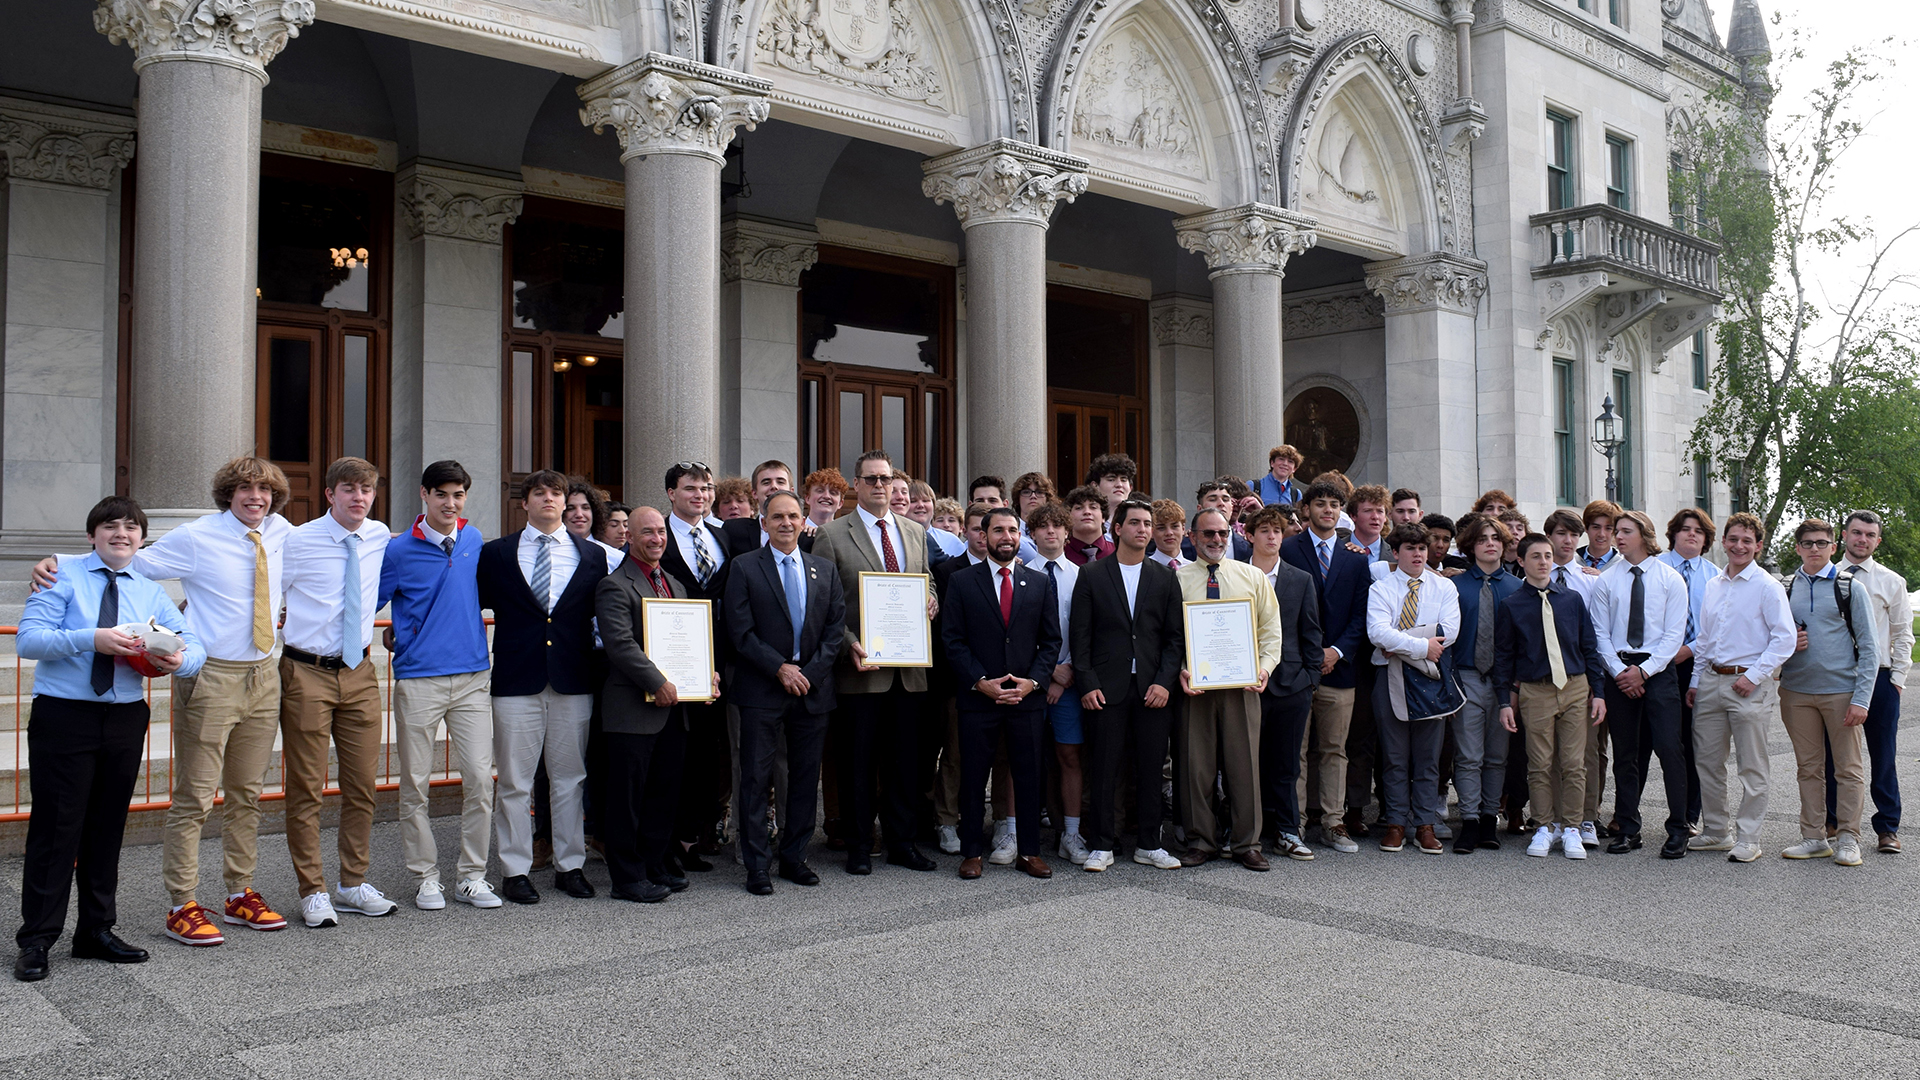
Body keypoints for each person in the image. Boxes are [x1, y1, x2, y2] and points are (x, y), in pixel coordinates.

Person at [34, 457, 295, 945]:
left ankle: (239, 893)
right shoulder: (196, 536)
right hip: (210, 675)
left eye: (263, 490)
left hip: (264, 675)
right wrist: (57, 562)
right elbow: (126, 559)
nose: (254, 497)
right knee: (195, 796)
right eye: (244, 489)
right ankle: (183, 903)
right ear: (228, 494)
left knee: (247, 794)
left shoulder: (282, 532)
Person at [14, 496, 205, 981]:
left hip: (123, 717)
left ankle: (95, 930)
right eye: (110, 526)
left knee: (106, 826)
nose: (121, 533)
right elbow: (28, 640)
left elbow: (193, 644)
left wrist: (179, 660)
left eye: (131, 528)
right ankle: (37, 938)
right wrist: (91, 638)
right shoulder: (61, 573)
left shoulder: (151, 590)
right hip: (65, 714)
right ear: (92, 534)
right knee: (57, 828)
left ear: (142, 539)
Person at [478, 469, 610, 904]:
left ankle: (569, 866)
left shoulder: (592, 556)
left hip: (574, 679)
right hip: (517, 680)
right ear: (525, 503)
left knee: (570, 778)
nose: (550, 500)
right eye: (541, 493)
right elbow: (466, 604)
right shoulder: (496, 554)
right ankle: (515, 870)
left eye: (557, 493)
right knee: (515, 781)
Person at [278, 458, 396, 928]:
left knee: (361, 786)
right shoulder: (298, 540)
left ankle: (352, 882)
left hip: (360, 671)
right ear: (330, 494)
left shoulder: (380, 535)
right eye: (349, 489)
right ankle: (313, 890)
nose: (359, 498)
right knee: (306, 788)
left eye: (366, 490)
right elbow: (263, 590)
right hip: (306, 672)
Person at [812, 449, 941, 874]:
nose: (879, 486)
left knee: (905, 763)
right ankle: (858, 845)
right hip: (861, 670)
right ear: (857, 485)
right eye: (871, 479)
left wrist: (931, 601)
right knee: (858, 764)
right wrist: (849, 641)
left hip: (908, 671)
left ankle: (902, 843)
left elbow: (929, 581)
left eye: (885, 479)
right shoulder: (833, 535)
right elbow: (826, 603)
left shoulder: (914, 531)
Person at [379, 460, 500, 911]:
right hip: (419, 679)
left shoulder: (472, 540)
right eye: (442, 495)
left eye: (459, 495)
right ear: (425, 496)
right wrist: (397, 633)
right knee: (414, 783)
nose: (451, 503)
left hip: (472, 677)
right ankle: (426, 876)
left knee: (478, 781)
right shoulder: (397, 551)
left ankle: (472, 876)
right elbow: (370, 600)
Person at [722, 491, 845, 894]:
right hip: (761, 689)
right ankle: (757, 864)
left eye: (793, 515)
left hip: (811, 689)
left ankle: (794, 857)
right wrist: (780, 668)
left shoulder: (823, 569)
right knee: (756, 780)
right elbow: (739, 631)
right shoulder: (743, 567)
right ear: (764, 521)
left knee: (805, 780)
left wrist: (807, 672)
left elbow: (834, 630)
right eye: (777, 517)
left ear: (803, 517)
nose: (787, 523)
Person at [596, 507, 720, 901]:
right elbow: (620, 645)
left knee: (663, 794)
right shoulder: (614, 585)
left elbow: (690, 643)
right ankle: (627, 877)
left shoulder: (675, 586)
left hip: (673, 711)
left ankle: (654, 863)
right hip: (632, 710)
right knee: (627, 799)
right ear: (629, 537)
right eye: (646, 532)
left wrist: (706, 677)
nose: (656, 538)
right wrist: (659, 681)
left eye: (661, 532)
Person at [942, 507, 1060, 880]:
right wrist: (980, 681)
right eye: (998, 530)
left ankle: (1029, 852)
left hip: (1026, 698)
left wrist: (1033, 682)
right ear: (984, 535)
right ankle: (972, 851)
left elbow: (1051, 641)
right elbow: (953, 640)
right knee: (974, 776)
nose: (1006, 537)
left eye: (1012, 530)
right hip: (979, 698)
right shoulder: (962, 582)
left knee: (1028, 776)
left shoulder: (1039, 583)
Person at [1070, 499, 1184, 872]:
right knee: (1104, 768)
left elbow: (1174, 639)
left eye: (1148, 523)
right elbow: (1080, 636)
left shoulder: (1165, 576)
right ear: (1116, 528)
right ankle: (1101, 844)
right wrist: (1086, 683)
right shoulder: (1092, 574)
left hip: (1153, 688)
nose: (1143, 529)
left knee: (1151, 768)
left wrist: (1165, 682)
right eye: (1134, 522)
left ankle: (1150, 844)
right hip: (1106, 688)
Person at [1680, 513, 1794, 863]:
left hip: (1748, 684)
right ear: (1724, 542)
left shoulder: (1767, 586)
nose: (1739, 546)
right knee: (1708, 762)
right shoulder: (1714, 584)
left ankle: (1749, 837)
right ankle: (1716, 831)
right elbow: (1704, 639)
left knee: (1752, 765)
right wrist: (1697, 681)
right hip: (1712, 681)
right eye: (1733, 539)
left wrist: (1755, 675)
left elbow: (1785, 639)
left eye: (1747, 540)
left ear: (1758, 546)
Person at [1174, 509, 1284, 870]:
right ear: (1192, 536)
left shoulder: (1252, 577)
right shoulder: (1175, 580)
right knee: (1196, 767)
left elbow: (1270, 631)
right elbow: (1166, 636)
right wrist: (1180, 671)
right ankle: (1200, 841)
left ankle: (1246, 843)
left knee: (1244, 765)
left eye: (1222, 533)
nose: (1216, 540)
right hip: (1195, 688)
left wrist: (1264, 669)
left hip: (1243, 686)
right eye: (1208, 533)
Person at [1492, 533, 1608, 860]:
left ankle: (1572, 827)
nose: (1543, 562)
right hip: (1535, 690)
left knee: (1574, 762)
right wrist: (1505, 701)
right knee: (1539, 762)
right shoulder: (1512, 605)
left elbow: (1589, 647)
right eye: (1536, 557)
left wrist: (1597, 693)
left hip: (1574, 686)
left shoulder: (1571, 600)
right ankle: (1544, 825)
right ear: (1521, 561)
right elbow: (1504, 656)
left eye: (1547, 556)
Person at [1778, 518, 1880, 867]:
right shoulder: (1785, 587)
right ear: (1797, 548)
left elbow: (1869, 647)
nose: (1815, 549)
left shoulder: (1850, 587)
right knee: (1808, 768)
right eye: (1807, 543)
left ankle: (1849, 838)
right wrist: (1788, 644)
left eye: (1822, 543)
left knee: (1848, 769)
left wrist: (1861, 698)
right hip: (1796, 692)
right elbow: (1770, 640)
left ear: (1833, 547)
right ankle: (1814, 836)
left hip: (1841, 691)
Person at [1280, 479, 1374, 853]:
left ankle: (1334, 823)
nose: (1328, 511)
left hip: (1341, 667)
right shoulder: (1287, 550)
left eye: (1335, 505)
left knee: (1336, 749)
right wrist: (1308, 654)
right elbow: (1281, 611)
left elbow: (1360, 614)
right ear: (1307, 509)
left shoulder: (1355, 558)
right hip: (1297, 669)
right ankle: (1296, 821)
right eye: (1321, 504)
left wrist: (1337, 651)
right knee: (1296, 750)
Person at [1589, 510, 1690, 859]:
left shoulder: (1670, 579)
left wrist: (1644, 672)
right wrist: (1621, 671)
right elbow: (1599, 634)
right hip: (1619, 669)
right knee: (1626, 755)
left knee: (1668, 749)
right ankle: (1628, 828)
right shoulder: (1606, 580)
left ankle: (1678, 829)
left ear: (1645, 535)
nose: (1617, 536)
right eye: (1616, 531)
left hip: (1658, 671)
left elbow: (1674, 634)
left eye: (1625, 531)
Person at [1365, 523, 1461, 855]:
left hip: (1430, 680)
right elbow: (1377, 633)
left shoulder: (1444, 587)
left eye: (1422, 548)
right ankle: (1395, 823)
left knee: (1427, 757)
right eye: (1410, 548)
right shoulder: (1381, 588)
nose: (1418, 553)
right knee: (1394, 757)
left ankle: (1425, 825)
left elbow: (1448, 632)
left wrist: (1400, 642)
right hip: (1389, 676)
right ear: (1396, 552)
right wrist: (1421, 645)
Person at [656, 462, 732, 872]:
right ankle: (663, 845)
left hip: (716, 665)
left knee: (705, 757)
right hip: (669, 662)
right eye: (690, 489)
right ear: (671, 493)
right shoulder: (658, 536)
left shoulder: (725, 536)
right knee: (670, 758)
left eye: (705, 489)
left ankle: (689, 841)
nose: (699, 496)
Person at [1243, 505, 1321, 860]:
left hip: (1292, 684)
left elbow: (1311, 634)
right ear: (1250, 536)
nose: (1272, 536)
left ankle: (1289, 831)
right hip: (1242, 685)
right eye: (1264, 531)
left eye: (1277, 531)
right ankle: (1246, 832)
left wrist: (1310, 680)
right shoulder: (1233, 575)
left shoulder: (1300, 579)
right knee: (1244, 762)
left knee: (1287, 764)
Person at [1830, 510, 1910, 854]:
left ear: (1877, 541)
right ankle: (1833, 821)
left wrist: (1897, 680)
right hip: (1834, 678)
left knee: (1883, 753)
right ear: (1844, 536)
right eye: (1856, 533)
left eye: (1869, 535)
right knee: (1834, 756)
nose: (1862, 539)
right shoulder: (1824, 577)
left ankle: (1887, 827)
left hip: (1878, 678)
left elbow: (1903, 634)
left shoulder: (1891, 581)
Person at [1446, 515, 1522, 853]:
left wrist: (1516, 688)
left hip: (1504, 684)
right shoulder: (1455, 586)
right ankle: (1470, 820)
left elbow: (1524, 644)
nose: (1490, 543)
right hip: (1467, 678)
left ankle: (1490, 818)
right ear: (1470, 546)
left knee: (1497, 756)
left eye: (1496, 538)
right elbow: (1445, 639)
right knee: (1467, 755)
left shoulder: (1518, 589)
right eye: (1482, 539)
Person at [1027, 502, 1089, 864]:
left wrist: (1066, 673)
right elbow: (1018, 635)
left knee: (1069, 755)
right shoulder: (1020, 573)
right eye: (1042, 526)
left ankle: (1071, 832)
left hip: (1071, 679)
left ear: (1068, 533)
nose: (1050, 532)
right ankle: (1016, 832)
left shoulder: (1084, 575)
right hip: (1033, 681)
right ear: (1031, 534)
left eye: (1057, 526)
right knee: (1024, 755)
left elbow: (1087, 631)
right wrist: (1048, 673)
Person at [1543, 507, 1607, 846]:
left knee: (1585, 751)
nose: (1567, 541)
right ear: (1549, 537)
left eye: (1573, 535)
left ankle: (1586, 818)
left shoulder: (1591, 579)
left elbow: (1597, 633)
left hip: (1580, 673)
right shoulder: (1538, 576)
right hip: (1544, 676)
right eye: (1561, 534)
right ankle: (1554, 818)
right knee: (1549, 750)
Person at [1656, 508, 1714, 834]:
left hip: (1697, 662)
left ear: (1706, 540)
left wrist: (1688, 650)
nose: (1691, 534)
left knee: (1693, 743)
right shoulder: (1656, 570)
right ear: (1673, 534)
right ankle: (1626, 816)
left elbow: (1713, 627)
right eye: (1685, 529)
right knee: (1656, 741)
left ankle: (1690, 815)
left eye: (1698, 531)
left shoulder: (1715, 576)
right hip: (1657, 666)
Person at [1181, 481, 1253, 562]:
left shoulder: (1248, 549)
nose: (1221, 503)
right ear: (1200, 509)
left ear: (1232, 508)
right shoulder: (1183, 547)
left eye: (1225, 499)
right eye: (1212, 499)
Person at [1062, 485, 1115, 566]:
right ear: (1068, 516)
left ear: (1103, 517)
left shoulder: (1118, 553)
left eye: (1093, 507)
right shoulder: (1060, 554)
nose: (1087, 512)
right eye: (1079, 508)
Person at [1084, 454, 1137, 523]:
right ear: (1095, 486)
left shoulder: (1140, 521)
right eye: (1111, 479)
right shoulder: (1086, 520)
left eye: (1123, 480)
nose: (1119, 485)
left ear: (1130, 487)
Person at [1347, 485, 1389, 561]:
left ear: (1385, 517)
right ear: (1353, 516)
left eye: (1380, 511)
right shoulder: (1335, 549)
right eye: (1368, 511)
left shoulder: (1396, 555)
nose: (1375, 517)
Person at [1578, 499, 1620, 570]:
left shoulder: (1622, 565)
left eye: (1608, 528)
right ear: (1586, 528)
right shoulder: (1572, 562)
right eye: (1596, 527)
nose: (1601, 534)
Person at [1148, 498, 1187, 569]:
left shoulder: (1196, 570)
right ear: (1151, 532)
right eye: (1161, 528)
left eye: (1174, 526)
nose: (1169, 533)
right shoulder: (1144, 569)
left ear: (1183, 529)